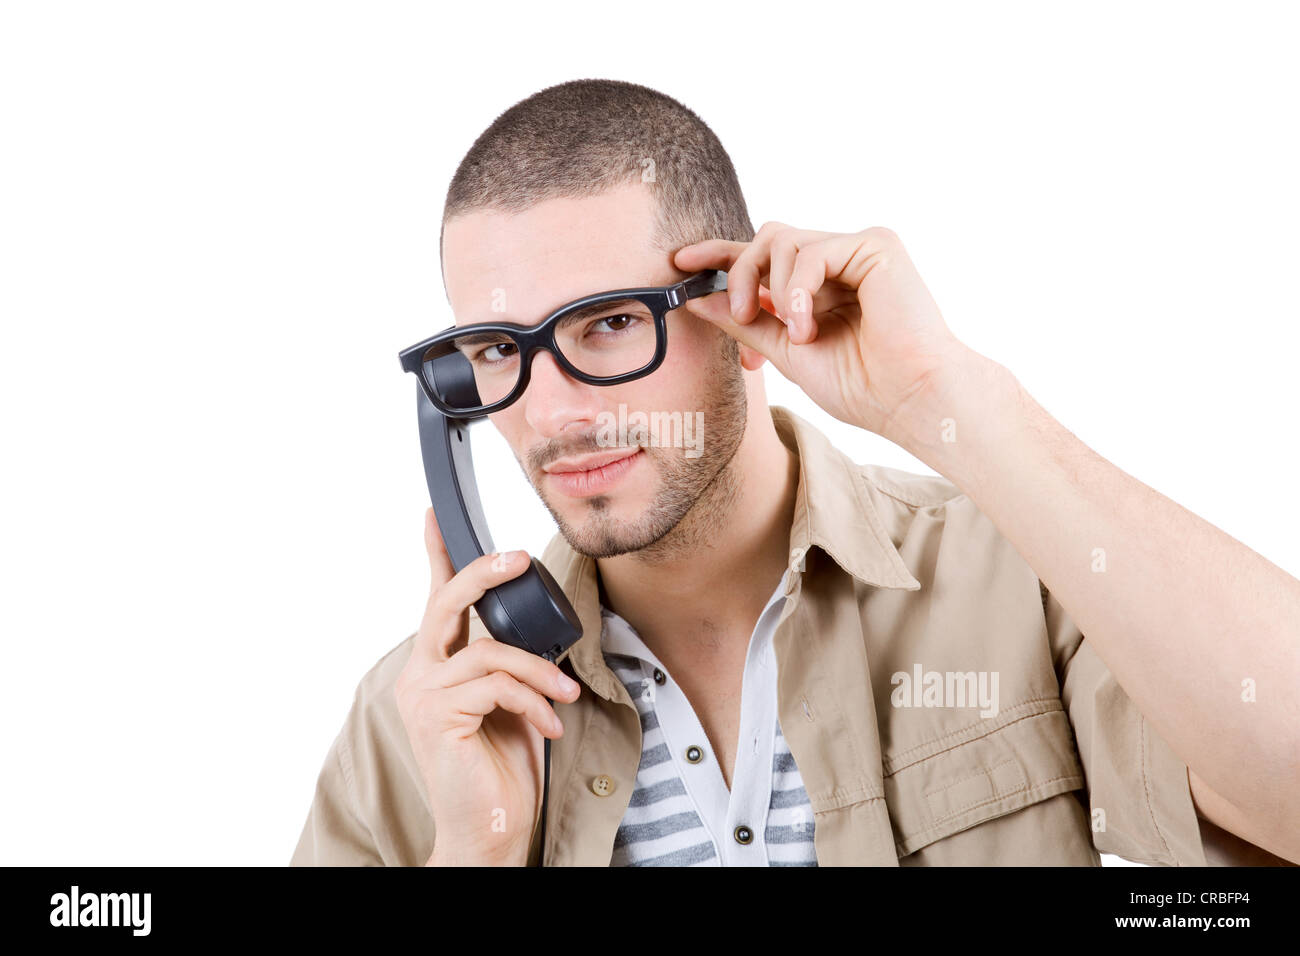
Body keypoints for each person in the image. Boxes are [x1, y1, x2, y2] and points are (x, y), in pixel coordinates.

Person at [290, 78, 1299, 866]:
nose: (551, 412)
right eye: (499, 350)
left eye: (607, 325)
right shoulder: (422, 715)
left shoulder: (1019, 585)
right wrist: (476, 847)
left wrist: (943, 398)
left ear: (741, 316)